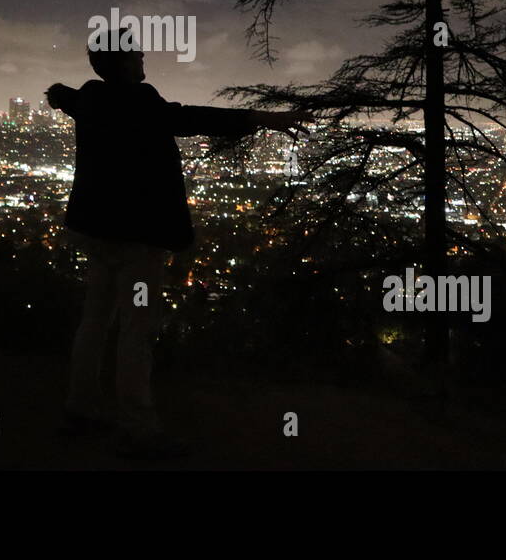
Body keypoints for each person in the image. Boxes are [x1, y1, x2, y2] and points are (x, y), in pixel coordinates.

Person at [45, 30, 310, 459]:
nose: (143, 58)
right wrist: (260, 118)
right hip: (139, 239)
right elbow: (189, 117)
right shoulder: (140, 101)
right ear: (125, 63)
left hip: (95, 232)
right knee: (137, 330)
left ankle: (80, 409)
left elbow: (69, 97)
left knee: (94, 321)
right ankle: (138, 427)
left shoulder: (91, 99)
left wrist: (57, 94)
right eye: (136, 55)